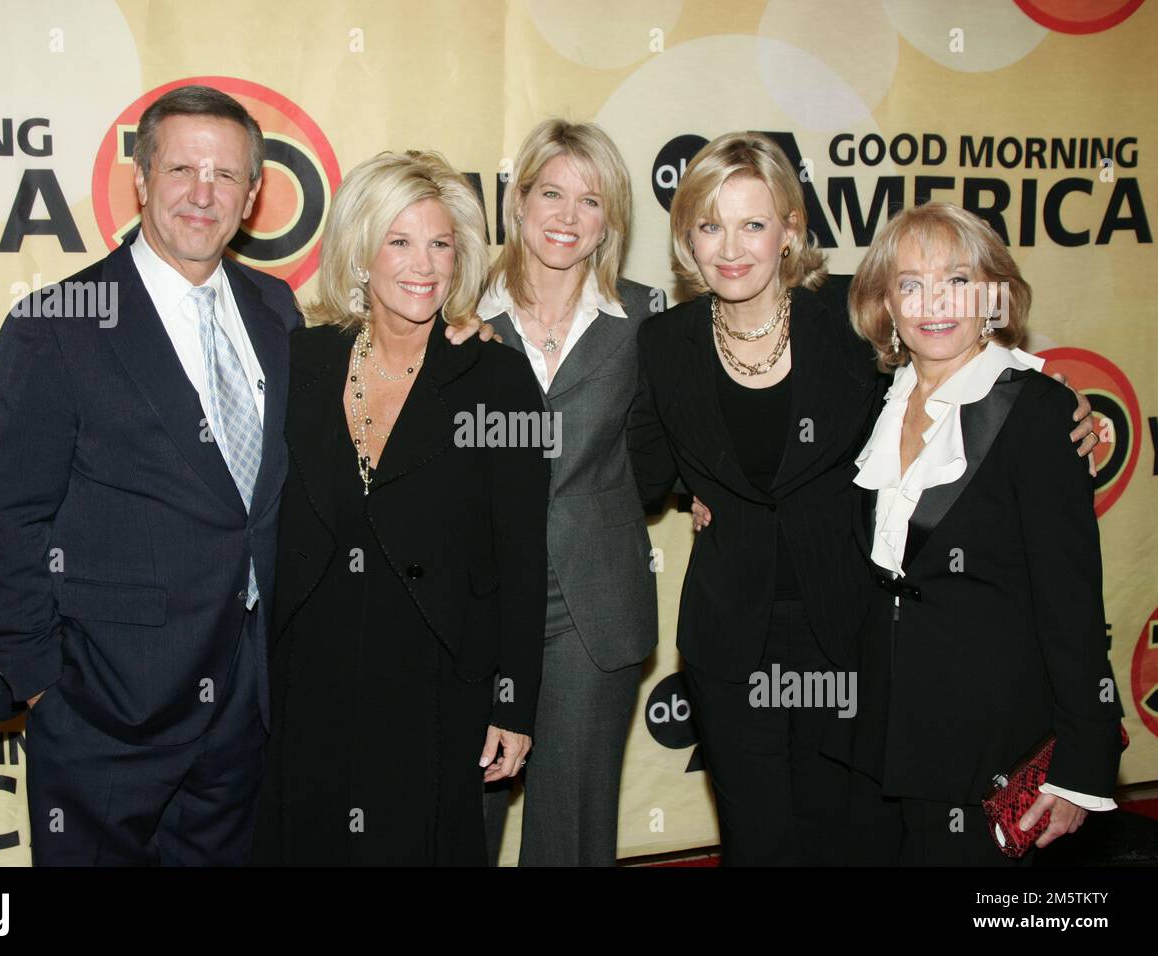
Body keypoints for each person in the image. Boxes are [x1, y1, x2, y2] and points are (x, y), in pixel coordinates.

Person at [626, 132, 1098, 866]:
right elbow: (641, 470)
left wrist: (1058, 399)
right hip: (730, 641)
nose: (732, 246)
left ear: (790, 229)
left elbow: (956, 359)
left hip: (850, 634)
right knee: (757, 842)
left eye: (754, 223)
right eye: (710, 224)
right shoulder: (661, 343)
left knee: (848, 840)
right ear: (686, 235)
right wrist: (700, 488)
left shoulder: (847, 319)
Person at [0, 85, 298, 865]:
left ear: (252, 195)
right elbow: (5, 519)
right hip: (104, 713)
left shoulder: (276, 310)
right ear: (142, 179)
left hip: (245, 710)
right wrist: (43, 685)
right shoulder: (58, 323)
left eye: (226, 176)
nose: (202, 194)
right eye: (181, 169)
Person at [251, 150, 550, 866]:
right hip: (312, 668)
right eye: (400, 241)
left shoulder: (499, 377)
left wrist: (514, 704)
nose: (424, 264)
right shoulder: (304, 361)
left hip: (436, 675)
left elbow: (523, 554)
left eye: (440, 243)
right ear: (361, 253)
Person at [833, 202, 1123, 866]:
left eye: (958, 281)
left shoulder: (1038, 413)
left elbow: (1072, 604)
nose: (933, 302)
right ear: (888, 304)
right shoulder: (877, 402)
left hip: (989, 746)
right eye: (910, 283)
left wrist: (1083, 765)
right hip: (882, 737)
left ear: (993, 296)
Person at [478, 119, 658, 867]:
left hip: (593, 605)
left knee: (571, 834)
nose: (565, 216)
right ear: (517, 203)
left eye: (590, 201)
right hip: (474, 602)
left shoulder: (648, 319)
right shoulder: (454, 307)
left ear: (610, 221)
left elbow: (698, 429)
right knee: (462, 816)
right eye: (550, 193)